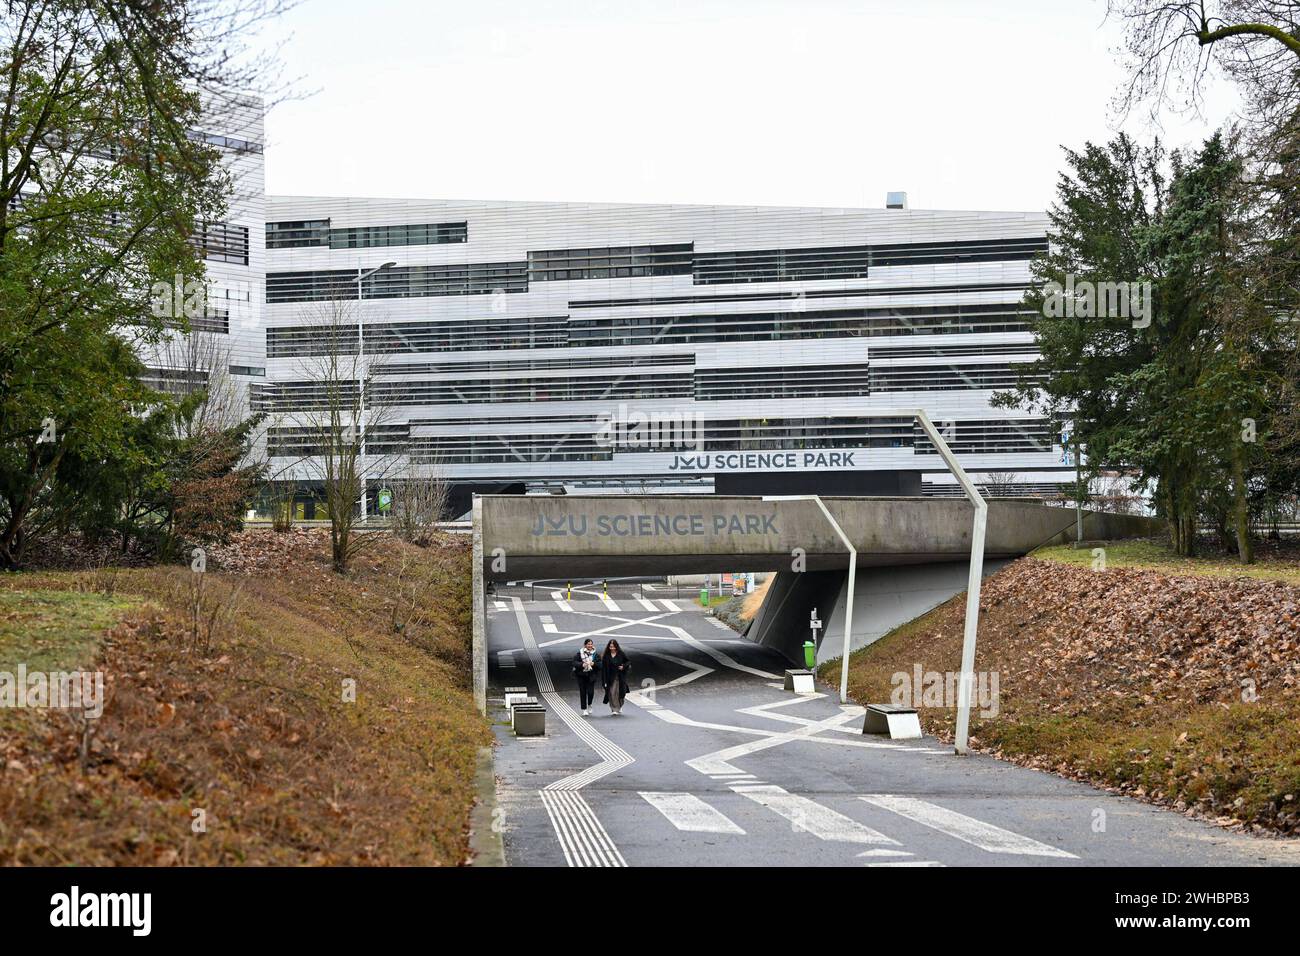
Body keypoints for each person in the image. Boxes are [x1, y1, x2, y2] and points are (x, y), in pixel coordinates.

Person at [601, 639, 631, 716]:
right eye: (610, 647)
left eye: (613, 647)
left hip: (620, 677)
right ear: (608, 647)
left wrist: (623, 666)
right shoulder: (606, 656)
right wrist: (604, 681)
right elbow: (603, 669)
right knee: (611, 693)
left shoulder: (621, 654)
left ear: (616, 646)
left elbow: (628, 662)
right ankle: (614, 708)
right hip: (610, 678)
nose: (612, 648)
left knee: (621, 693)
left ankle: (620, 705)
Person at [571, 638, 599, 716]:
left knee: (590, 692)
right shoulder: (580, 653)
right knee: (583, 692)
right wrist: (582, 664)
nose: (590, 645)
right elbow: (574, 662)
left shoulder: (595, 654)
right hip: (581, 676)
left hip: (591, 676)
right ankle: (584, 709)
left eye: (591, 644)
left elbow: (600, 664)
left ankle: (589, 704)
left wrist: (594, 664)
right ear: (585, 645)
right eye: (588, 644)